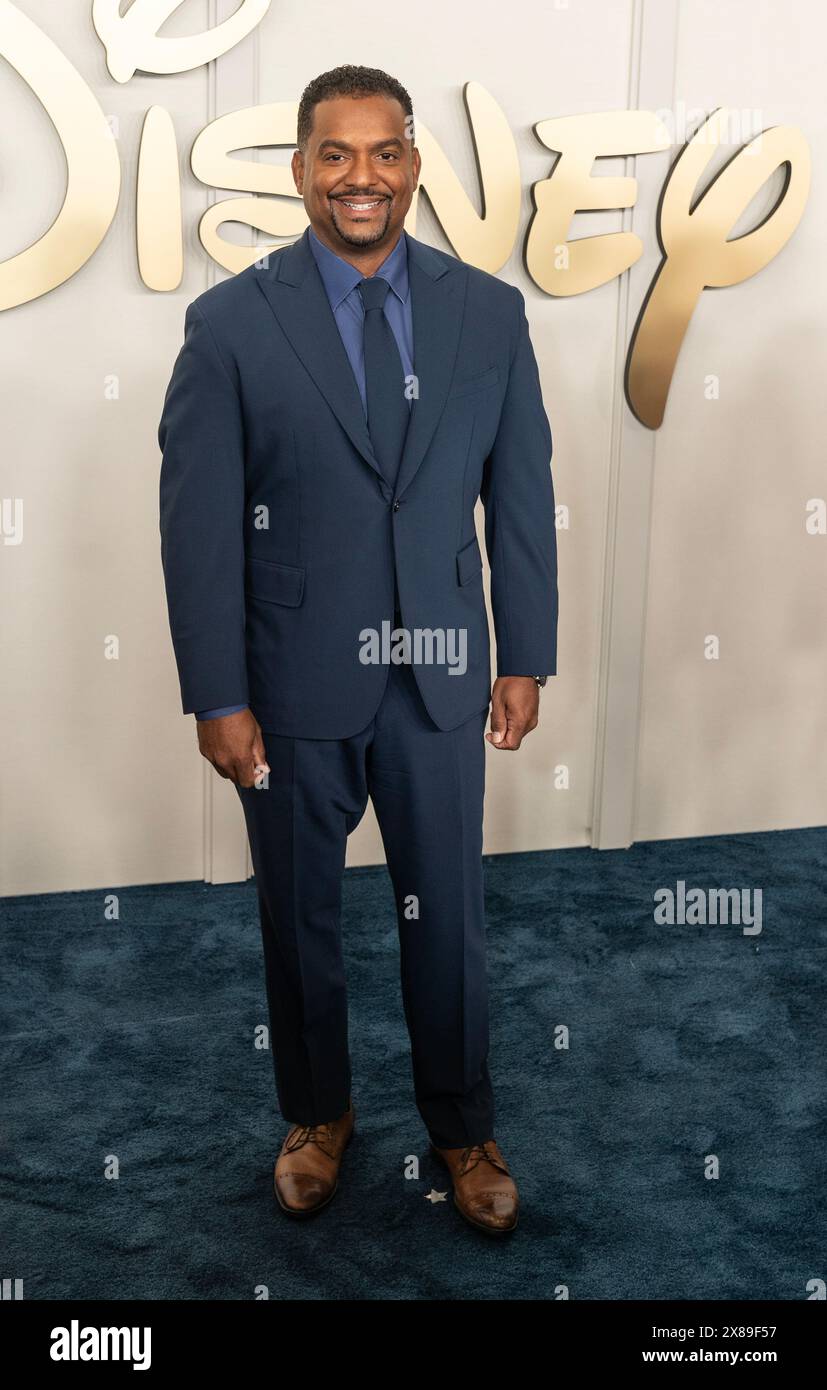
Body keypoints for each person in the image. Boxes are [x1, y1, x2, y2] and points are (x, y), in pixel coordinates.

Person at [159, 65, 558, 1235]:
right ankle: (316, 1113)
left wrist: (521, 654)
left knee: (450, 913)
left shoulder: (487, 314)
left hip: (437, 678)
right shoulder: (229, 323)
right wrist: (216, 694)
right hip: (288, 687)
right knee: (300, 915)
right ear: (298, 171)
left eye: (382, 153)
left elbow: (519, 500)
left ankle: (461, 1121)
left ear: (413, 166)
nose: (360, 178)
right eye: (334, 155)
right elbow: (195, 530)